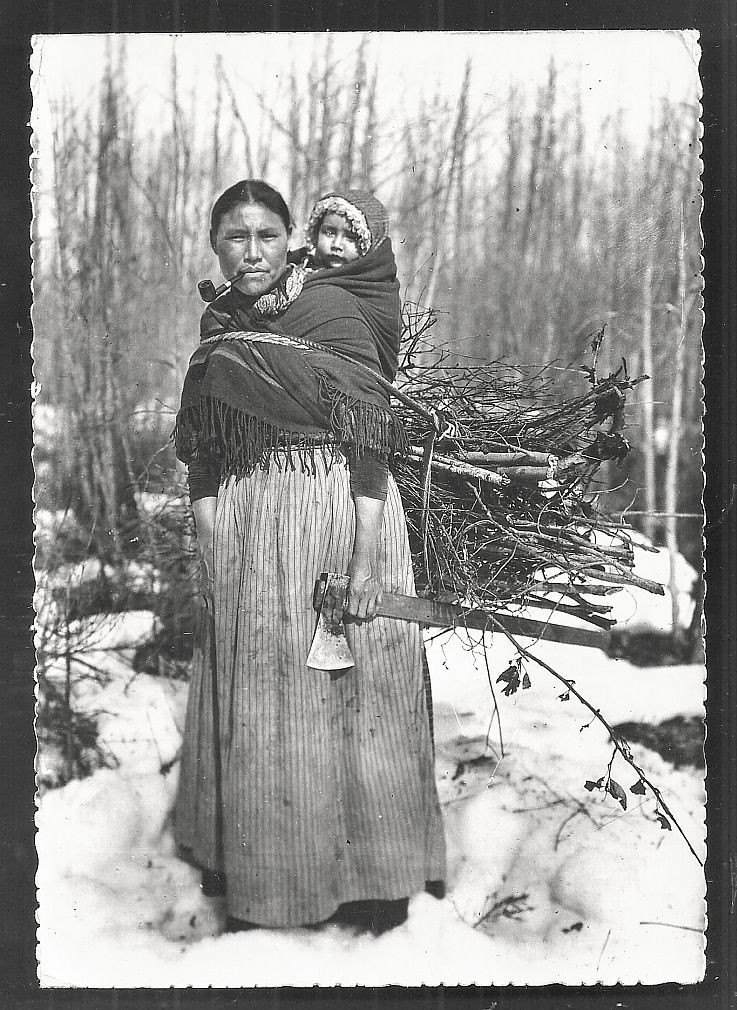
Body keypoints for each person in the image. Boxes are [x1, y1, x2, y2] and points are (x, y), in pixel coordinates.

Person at [174, 180, 446, 935]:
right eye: (235, 236)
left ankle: (372, 890)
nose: (251, 250)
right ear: (216, 245)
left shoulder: (330, 310)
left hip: (339, 510)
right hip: (249, 527)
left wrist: (364, 563)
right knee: (268, 704)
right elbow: (200, 446)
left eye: (267, 234)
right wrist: (211, 539)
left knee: (355, 696)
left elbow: (369, 437)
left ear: (289, 237)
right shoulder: (219, 321)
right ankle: (268, 889)